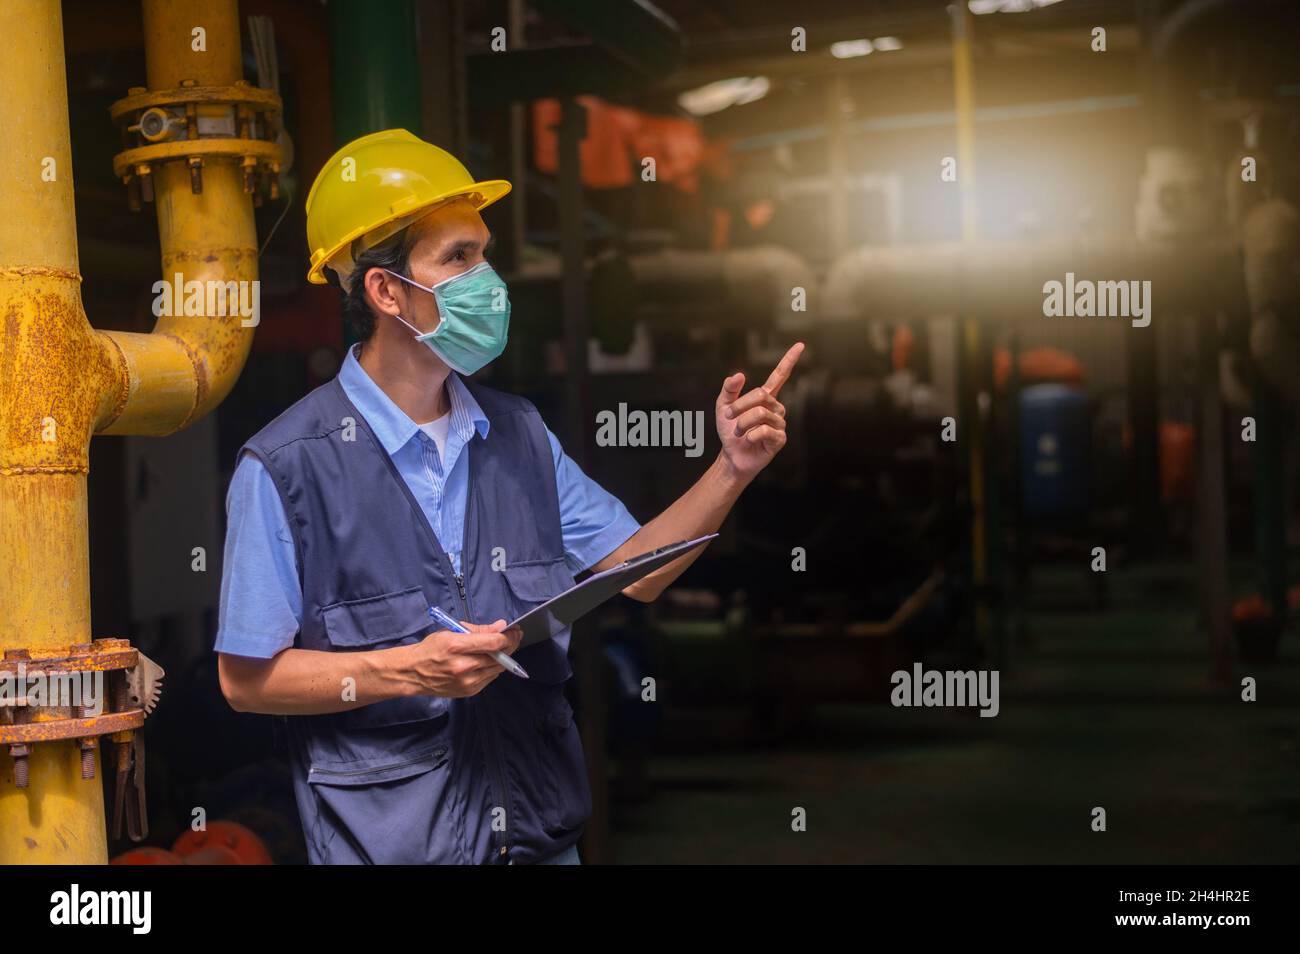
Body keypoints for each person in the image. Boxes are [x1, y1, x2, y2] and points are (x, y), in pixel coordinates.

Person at [215, 128, 804, 864]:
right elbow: (245, 680)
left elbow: (642, 571)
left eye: (483, 252)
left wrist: (732, 469)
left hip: (540, 848)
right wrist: (405, 670)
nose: (488, 280)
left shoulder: (519, 434)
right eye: (459, 258)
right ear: (386, 290)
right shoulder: (285, 468)